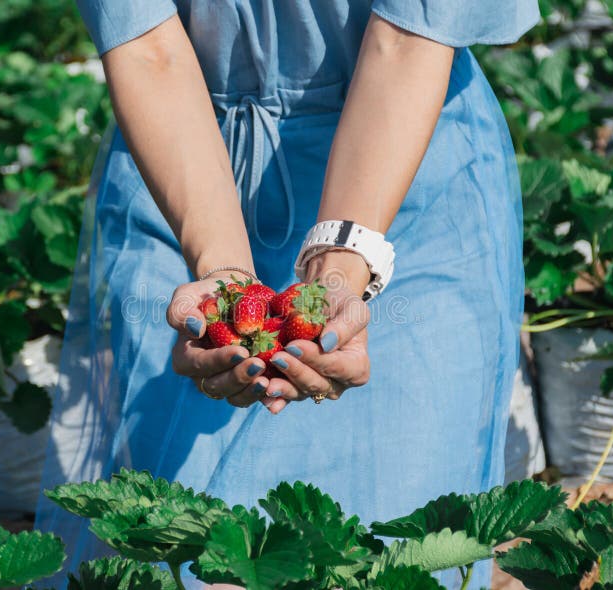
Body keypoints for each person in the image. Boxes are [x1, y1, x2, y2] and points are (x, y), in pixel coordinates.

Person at [35, 1, 539, 588]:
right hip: (182, 167)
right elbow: (148, 47)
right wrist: (222, 268)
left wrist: (341, 270)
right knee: (187, 553)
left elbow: (407, 40)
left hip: (400, 159)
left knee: (400, 550)